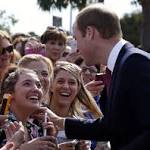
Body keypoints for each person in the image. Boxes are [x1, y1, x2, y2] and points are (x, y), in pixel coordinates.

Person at [42, 3, 150, 150]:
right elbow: (113, 126)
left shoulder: (135, 63)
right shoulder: (120, 66)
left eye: (76, 38)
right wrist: (61, 122)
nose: (77, 47)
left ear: (89, 32)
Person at [49, 61, 102, 150]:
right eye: (60, 81)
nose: (66, 86)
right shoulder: (37, 118)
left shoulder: (82, 124)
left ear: (78, 89)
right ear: (51, 86)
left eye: (72, 83)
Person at [0, 68, 57, 149]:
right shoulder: (2, 124)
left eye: (38, 85)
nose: (36, 89)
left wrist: (52, 142)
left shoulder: (37, 129)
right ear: (10, 93)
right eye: (27, 84)